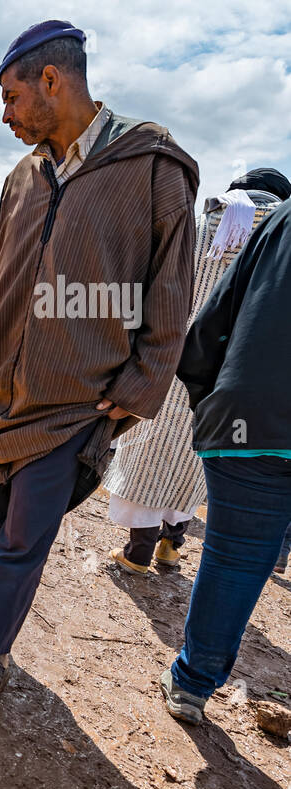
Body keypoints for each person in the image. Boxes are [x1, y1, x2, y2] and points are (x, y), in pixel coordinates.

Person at [0, 20, 198, 701]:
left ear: (52, 80)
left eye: (11, 97)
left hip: (75, 395)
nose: (6, 115)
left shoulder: (154, 167)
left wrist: (138, 388)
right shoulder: (22, 177)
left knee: (23, 536)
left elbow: (171, 293)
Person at [104, 168, 287, 574]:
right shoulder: (280, 239)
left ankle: (138, 553)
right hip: (229, 376)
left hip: (168, 360)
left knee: (148, 451)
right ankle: (172, 546)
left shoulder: (203, 222)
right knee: (194, 458)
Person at [158, 200, 291, 724]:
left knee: (235, 559)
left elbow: (219, 311)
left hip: (253, 418)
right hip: (253, 414)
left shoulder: (282, 219)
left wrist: (207, 393)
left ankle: (192, 685)